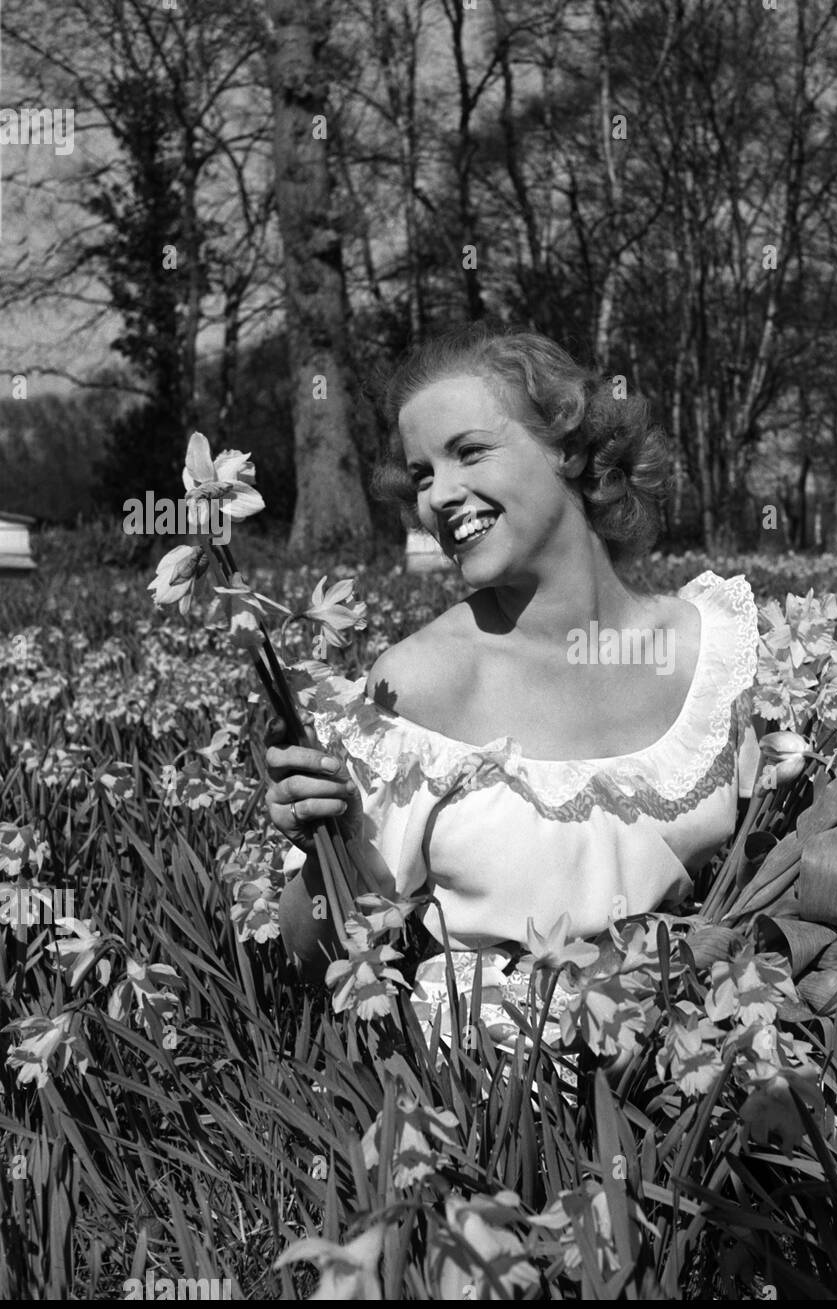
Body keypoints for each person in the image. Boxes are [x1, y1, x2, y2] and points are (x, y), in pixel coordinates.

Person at [268, 325, 760, 983]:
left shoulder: (715, 652)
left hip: (703, 1036)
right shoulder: (420, 685)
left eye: (468, 452)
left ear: (571, 450)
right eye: (421, 474)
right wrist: (322, 850)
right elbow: (312, 953)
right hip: (503, 1068)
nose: (436, 496)